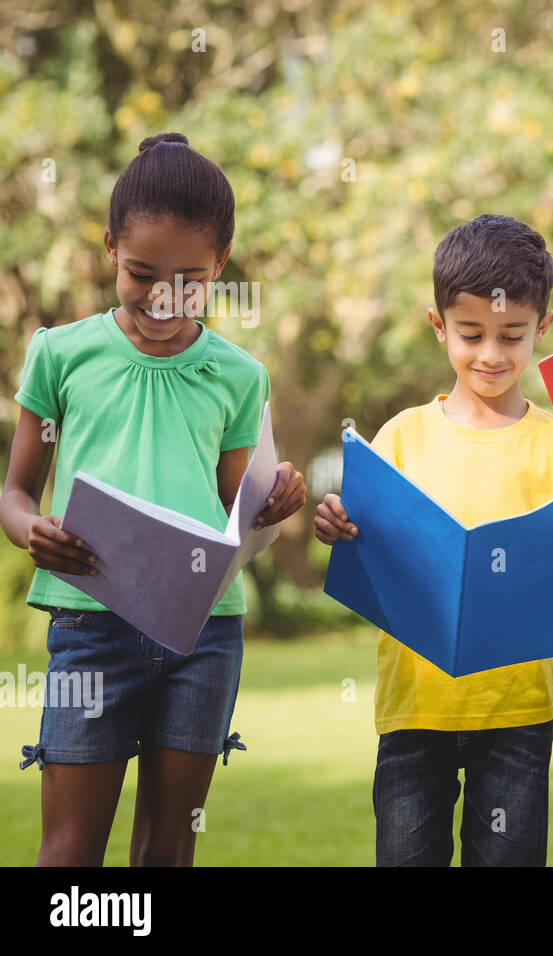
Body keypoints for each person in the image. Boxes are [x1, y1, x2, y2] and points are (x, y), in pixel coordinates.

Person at [1, 132, 306, 866]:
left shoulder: (238, 377)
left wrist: (278, 500)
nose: (164, 296)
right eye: (142, 272)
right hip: (91, 625)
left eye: (190, 279)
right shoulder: (60, 354)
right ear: (109, 247)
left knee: (168, 850)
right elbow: (15, 490)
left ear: (220, 269)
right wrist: (28, 529)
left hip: (202, 633)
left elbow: (240, 512)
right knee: (70, 853)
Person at [314, 214, 553, 866]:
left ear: (542, 328)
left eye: (512, 336)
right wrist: (334, 527)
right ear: (438, 325)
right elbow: (360, 538)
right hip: (414, 710)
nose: (491, 354)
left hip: (516, 710)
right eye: (471, 334)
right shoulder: (401, 437)